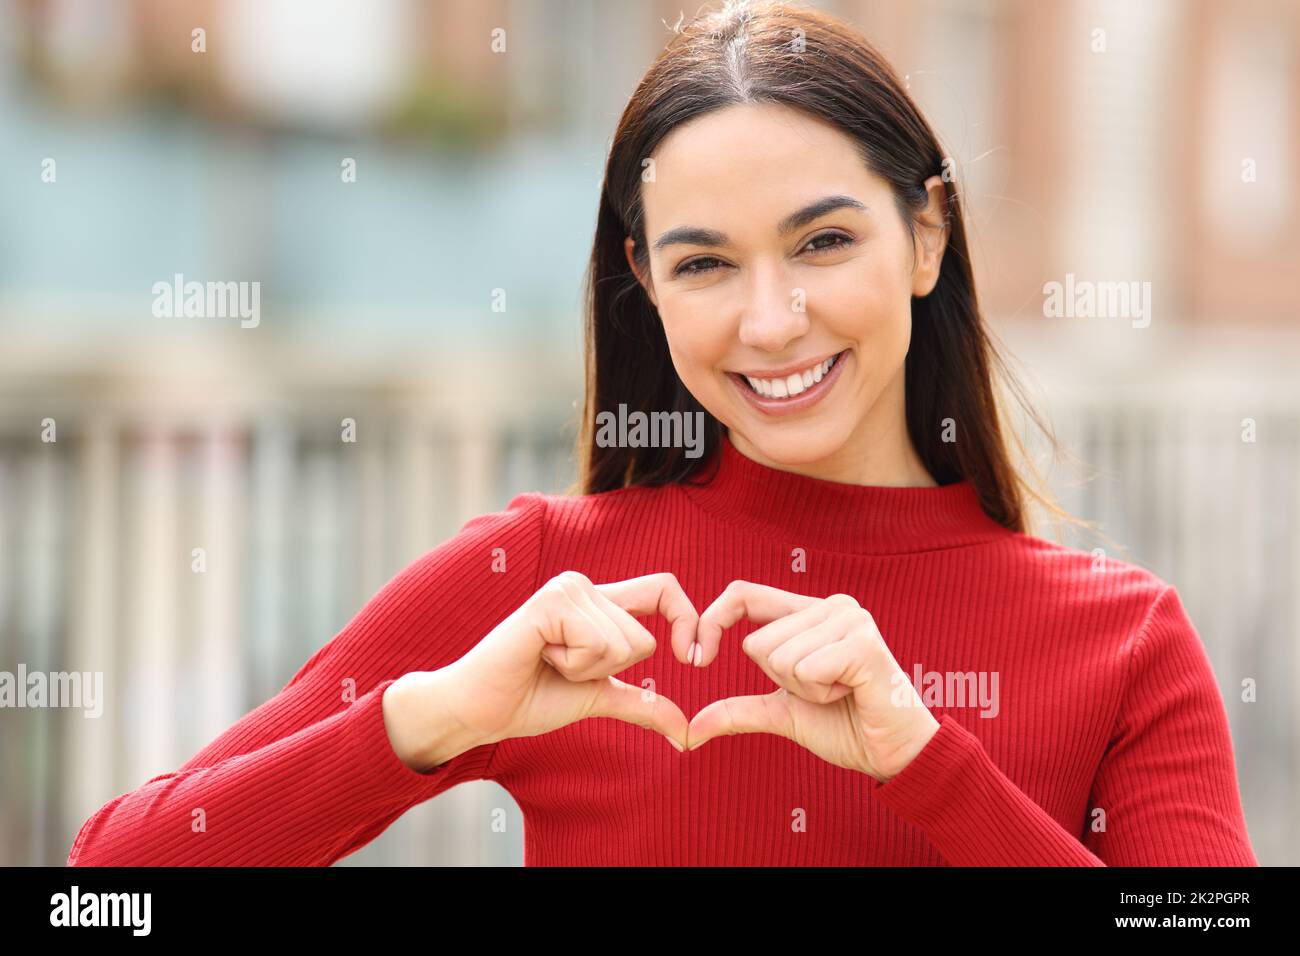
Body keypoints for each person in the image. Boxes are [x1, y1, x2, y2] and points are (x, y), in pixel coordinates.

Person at [67, 0, 1257, 867]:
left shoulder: (1122, 641)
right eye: (703, 263)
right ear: (644, 280)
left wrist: (927, 763)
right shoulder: (546, 585)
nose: (769, 319)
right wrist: (430, 720)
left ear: (927, 237)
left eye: (823, 242)